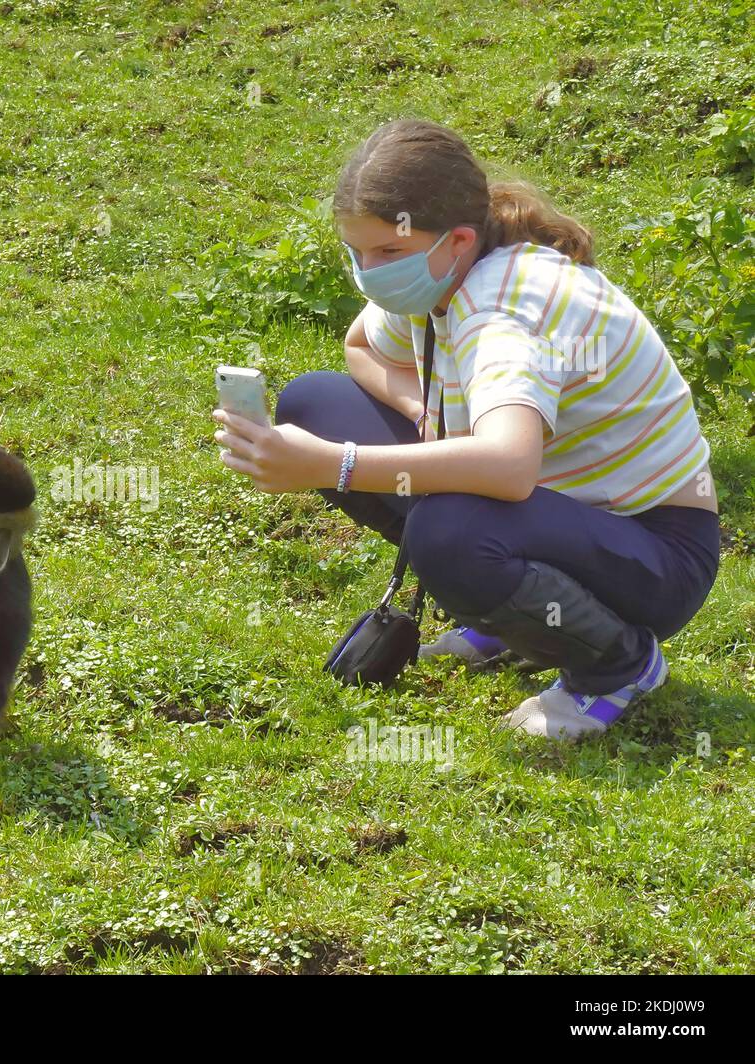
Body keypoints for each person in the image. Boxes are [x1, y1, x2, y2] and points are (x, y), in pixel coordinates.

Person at [212, 118, 721, 741]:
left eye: (387, 253)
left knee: (450, 531)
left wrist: (335, 464)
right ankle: (513, 616)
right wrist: (425, 413)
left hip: (651, 552)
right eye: (358, 251)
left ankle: (617, 665)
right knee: (313, 404)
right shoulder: (442, 271)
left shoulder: (501, 309)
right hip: (553, 508)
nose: (368, 272)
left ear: (455, 240)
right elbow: (360, 348)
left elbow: (508, 468)